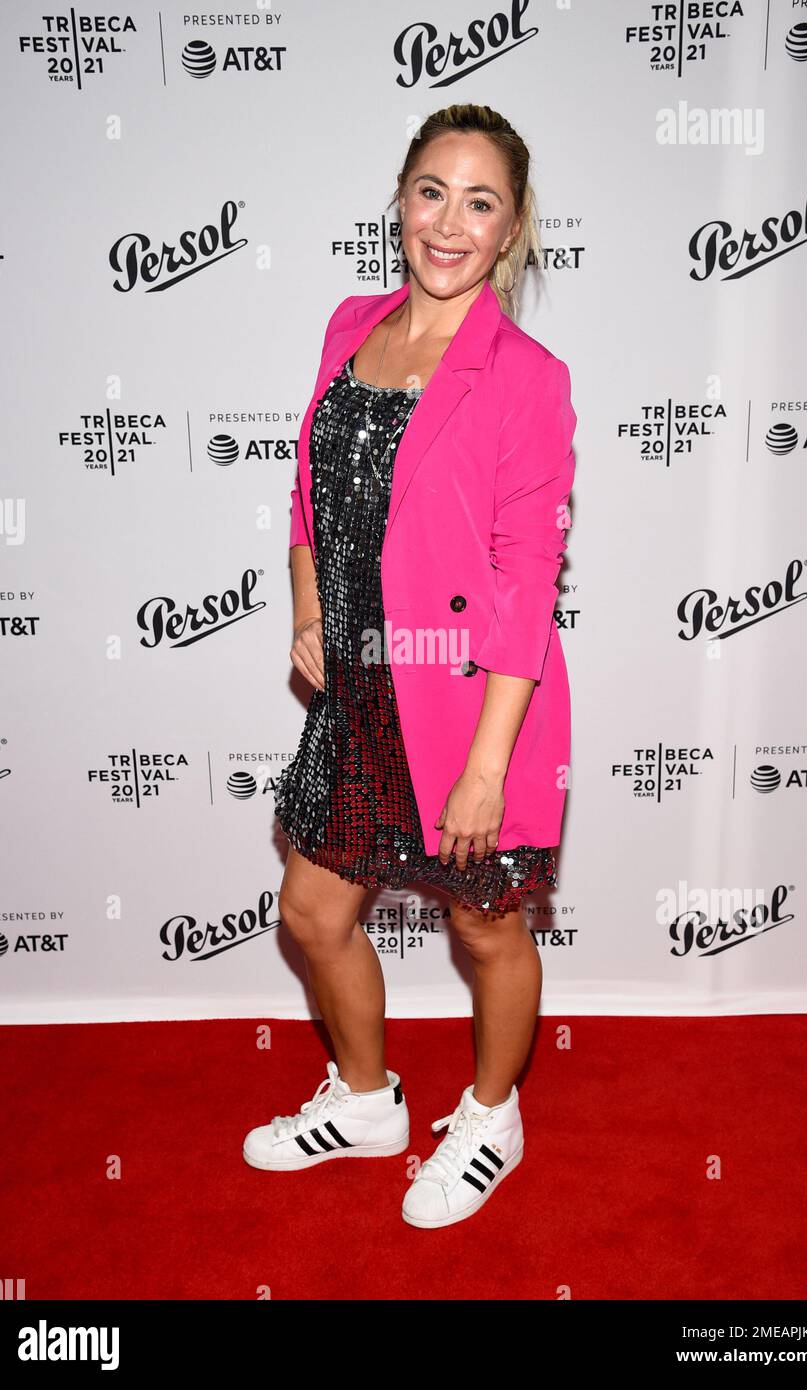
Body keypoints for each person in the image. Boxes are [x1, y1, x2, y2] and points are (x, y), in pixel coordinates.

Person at [244, 104, 577, 1230]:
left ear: (512, 227)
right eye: (431, 190)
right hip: (358, 694)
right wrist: (306, 607)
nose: (449, 221)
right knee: (311, 909)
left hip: (467, 702)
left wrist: (488, 765)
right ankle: (367, 1097)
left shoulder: (523, 374)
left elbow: (526, 575)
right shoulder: (350, 324)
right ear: (399, 196)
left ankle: (492, 1114)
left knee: (484, 925)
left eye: (479, 202)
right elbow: (307, 494)